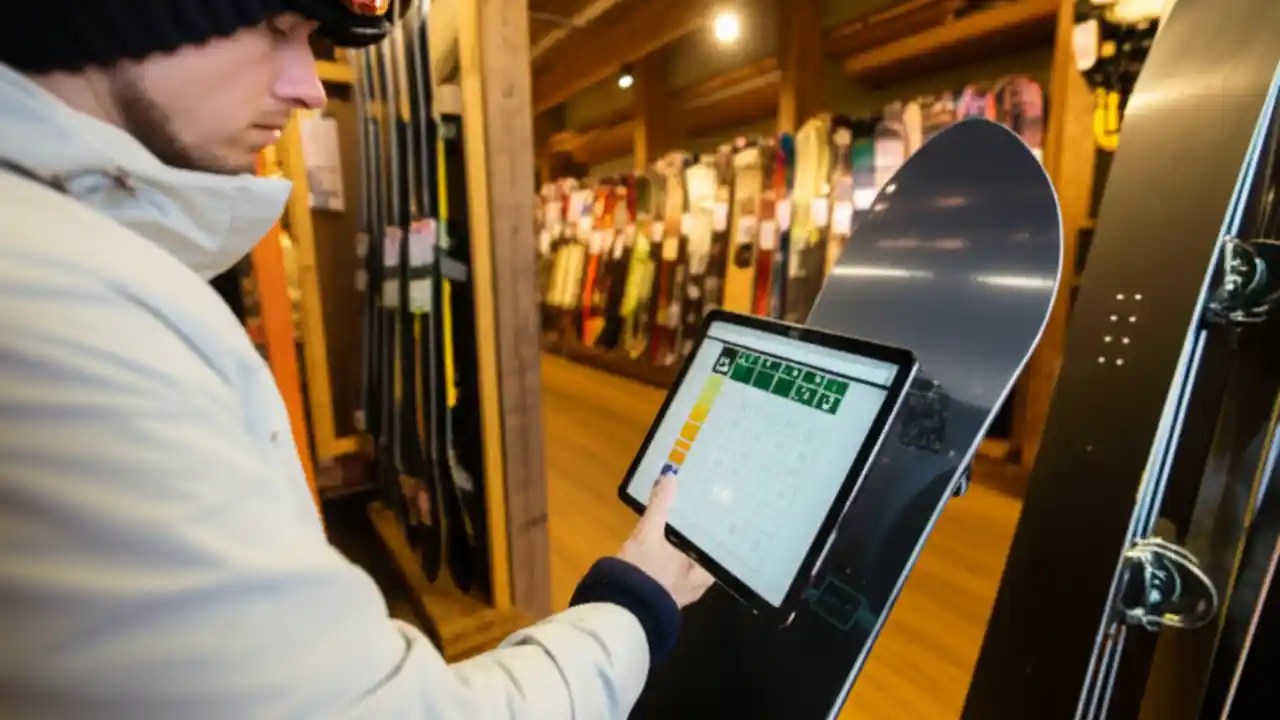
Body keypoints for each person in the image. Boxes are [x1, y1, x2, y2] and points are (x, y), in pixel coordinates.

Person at [0, 1, 713, 717]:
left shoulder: (75, 264)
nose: (310, 85)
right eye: (279, 32)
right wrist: (632, 604)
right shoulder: (63, 313)